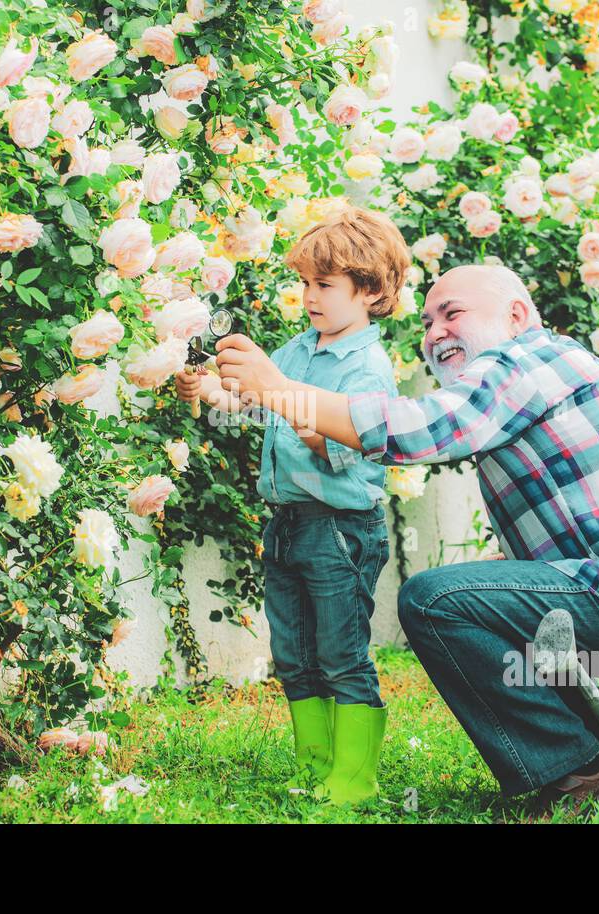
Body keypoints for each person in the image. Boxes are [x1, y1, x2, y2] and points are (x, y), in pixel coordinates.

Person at [211, 263, 599, 817]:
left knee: (434, 599)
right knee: (481, 599)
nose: (435, 332)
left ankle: (584, 770)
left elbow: (416, 430)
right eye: (427, 321)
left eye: (453, 313)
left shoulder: (524, 359)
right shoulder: (550, 369)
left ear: (515, 315)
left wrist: (279, 389)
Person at [174, 207, 408, 805]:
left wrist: (276, 389)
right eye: (305, 282)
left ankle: (354, 780)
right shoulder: (299, 350)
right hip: (288, 524)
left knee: (340, 654)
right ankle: (315, 767)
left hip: (339, 529)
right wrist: (212, 391)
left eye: (324, 285)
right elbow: (261, 411)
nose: (310, 296)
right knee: (294, 654)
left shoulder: (367, 367)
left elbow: (341, 450)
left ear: (372, 291)